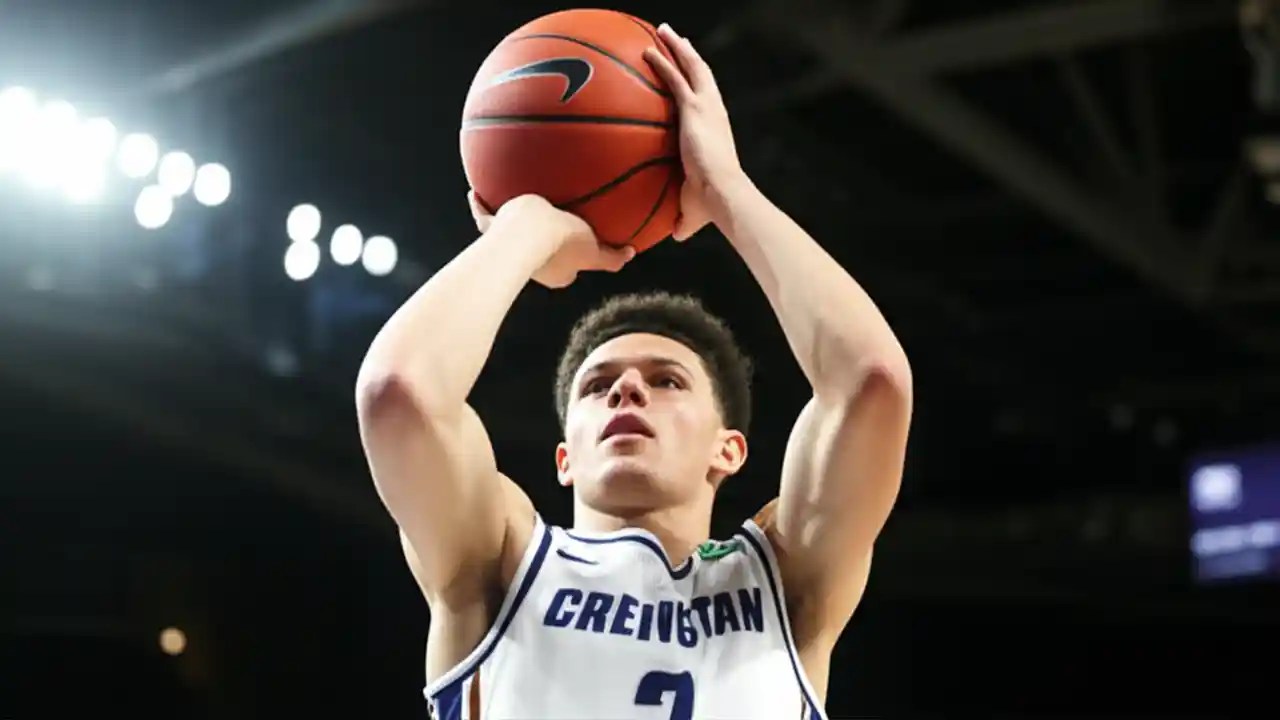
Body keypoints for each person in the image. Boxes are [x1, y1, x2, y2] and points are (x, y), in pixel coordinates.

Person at [355, 22, 912, 720]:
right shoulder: (498, 564)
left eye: (667, 380)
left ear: (728, 448)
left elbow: (872, 384)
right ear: (564, 457)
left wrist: (728, 190)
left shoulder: (783, 583)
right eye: (597, 386)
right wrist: (530, 226)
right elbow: (399, 394)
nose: (625, 389)